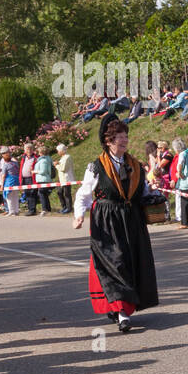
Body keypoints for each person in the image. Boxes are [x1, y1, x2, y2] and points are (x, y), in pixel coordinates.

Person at [73, 114, 160, 333]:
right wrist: (79, 214)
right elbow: (84, 193)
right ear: (108, 141)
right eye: (118, 137)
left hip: (131, 219)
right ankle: (122, 312)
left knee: (131, 262)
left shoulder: (135, 165)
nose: (123, 140)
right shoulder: (96, 166)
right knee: (116, 262)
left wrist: (152, 193)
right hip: (106, 219)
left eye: (125, 136)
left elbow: (143, 191)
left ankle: (122, 307)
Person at [56, 144, 75, 214]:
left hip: (66, 179)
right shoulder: (63, 157)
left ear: (61, 151)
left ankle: (69, 208)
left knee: (67, 194)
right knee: (59, 192)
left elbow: (63, 168)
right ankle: (64, 206)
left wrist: (56, 165)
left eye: (58, 151)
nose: (57, 152)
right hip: (61, 179)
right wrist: (58, 163)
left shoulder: (67, 157)